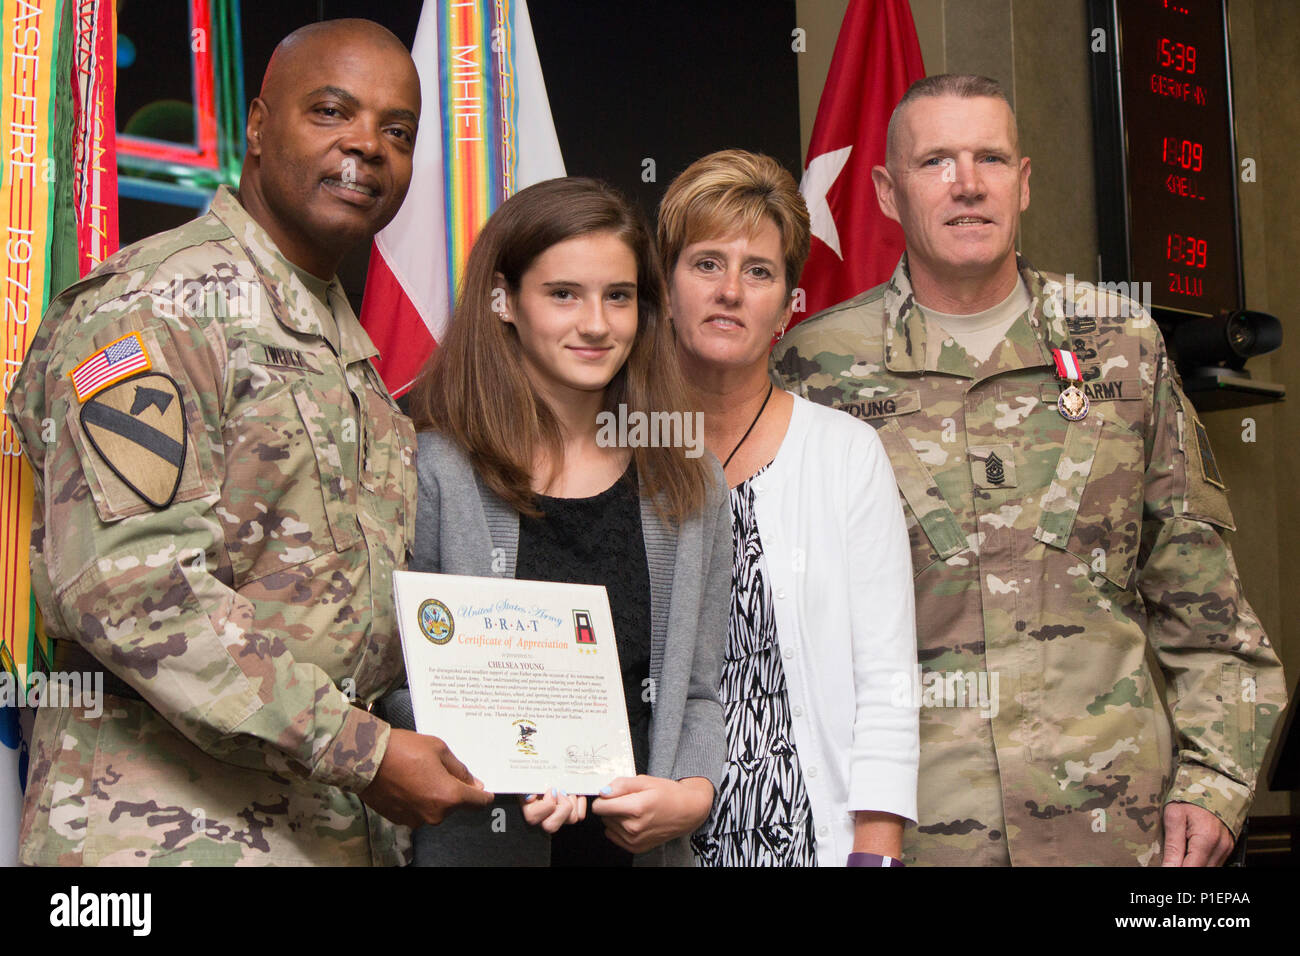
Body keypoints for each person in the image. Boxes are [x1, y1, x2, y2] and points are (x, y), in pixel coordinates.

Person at [5, 19, 493, 867]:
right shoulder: (156, 304)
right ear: (259, 127)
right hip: (164, 837)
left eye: (397, 131)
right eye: (332, 110)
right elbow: (133, 587)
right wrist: (366, 752)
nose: (367, 147)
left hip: (331, 833)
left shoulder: (347, 349)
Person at [773, 74, 1288, 866]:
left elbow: (1206, 606)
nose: (968, 184)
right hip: (914, 834)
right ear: (885, 191)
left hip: (1119, 834)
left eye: (990, 158)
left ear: (1024, 182)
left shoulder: (1120, 346)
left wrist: (1214, 783)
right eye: (936, 161)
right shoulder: (816, 368)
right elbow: (775, 628)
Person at [399, 176, 731, 866]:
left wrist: (692, 796)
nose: (596, 324)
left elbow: (698, 686)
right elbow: (394, 690)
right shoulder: (433, 469)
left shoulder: (689, 475)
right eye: (562, 294)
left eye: (618, 296)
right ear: (504, 299)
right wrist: (508, 761)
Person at [657, 150, 918, 867]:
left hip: (805, 838)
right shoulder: (620, 451)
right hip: (649, 835)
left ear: (788, 304)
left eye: (759, 271)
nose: (731, 291)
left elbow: (887, 676)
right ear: (666, 284)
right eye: (706, 263)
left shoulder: (846, 454)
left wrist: (877, 846)